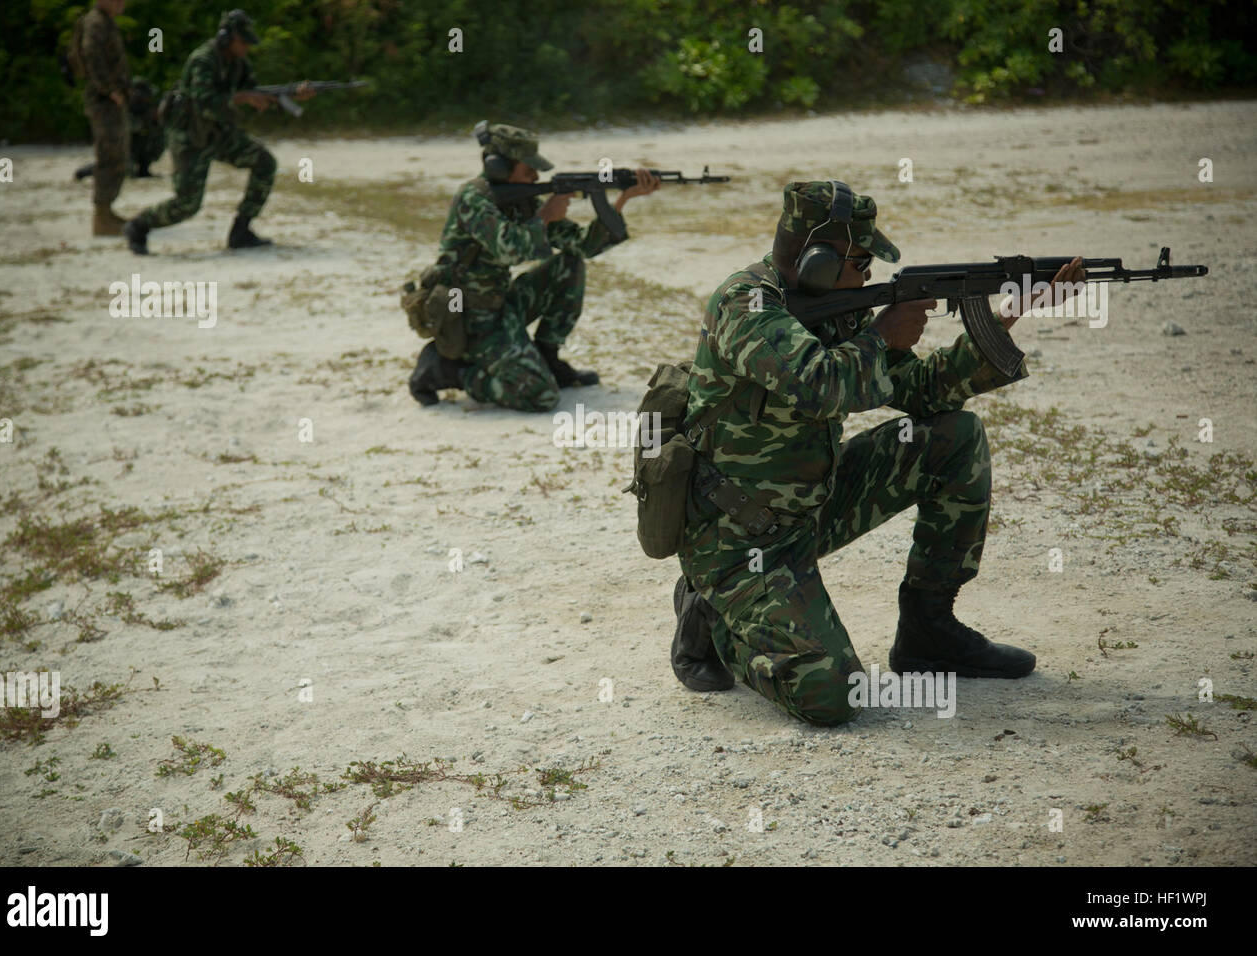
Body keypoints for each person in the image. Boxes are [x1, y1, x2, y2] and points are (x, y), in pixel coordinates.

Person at [671, 179, 1086, 725]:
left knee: (952, 438)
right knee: (830, 696)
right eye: (860, 260)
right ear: (817, 259)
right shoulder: (746, 304)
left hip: (810, 506)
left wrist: (1010, 313)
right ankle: (715, 615)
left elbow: (921, 392)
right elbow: (819, 386)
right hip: (739, 536)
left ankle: (928, 632)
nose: (869, 275)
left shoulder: (833, 310)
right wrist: (881, 337)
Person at [409, 123, 659, 411]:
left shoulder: (522, 202)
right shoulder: (474, 200)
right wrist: (545, 217)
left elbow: (582, 246)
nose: (536, 176)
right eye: (529, 169)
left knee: (569, 263)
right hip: (470, 320)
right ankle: (447, 371)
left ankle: (547, 356)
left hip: (501, 306)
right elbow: (509, 249)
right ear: (499, 167)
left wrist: (622, 200)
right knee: (541, 396)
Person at [122, 10, 312, 255]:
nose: (246, 48)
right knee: (187, 205)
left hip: (219, 134)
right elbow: (204, 102)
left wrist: (292, 94)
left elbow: (254, 92)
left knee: (264, 162)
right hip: (190, 137)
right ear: (226, 37)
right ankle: (138, 226)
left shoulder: (238, 64)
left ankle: (241, 232)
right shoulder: (202, 60)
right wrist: (244, 97)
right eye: (242, 41)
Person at [69, 0, 130, 236]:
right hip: (104, 101)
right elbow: (91, 55)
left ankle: (106, 212)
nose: (121, 3)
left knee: (115, 153)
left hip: (109, 100)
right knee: (109, 154)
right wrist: (110, 89)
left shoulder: (105, 22)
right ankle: (102, 218)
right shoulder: (96, 22)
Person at [75, 77, 166, 181]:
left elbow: (155, 130)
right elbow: (129, 128)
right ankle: (86, 172)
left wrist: (153, 122)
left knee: (156, 139)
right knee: (118, 170)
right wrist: (144, 122)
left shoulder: (146, 109)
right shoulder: (122, 108)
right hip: (121, 151)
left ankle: (143, 169)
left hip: (137, 149)